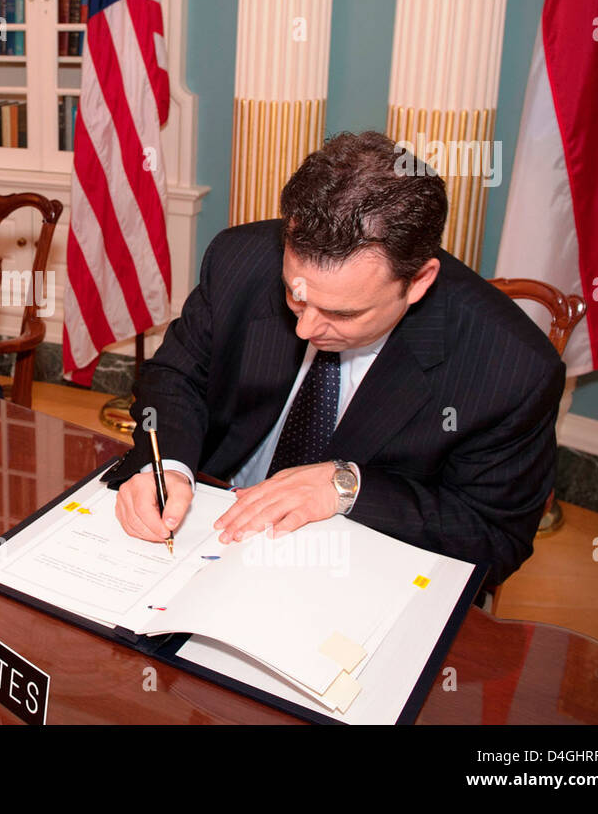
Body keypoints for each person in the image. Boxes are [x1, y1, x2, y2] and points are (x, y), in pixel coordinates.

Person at [107, 131, 565, 586]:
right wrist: (167, 467)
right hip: (208, 530)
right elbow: (175, 377)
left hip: (358, 571)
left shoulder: (512, 367)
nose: (306, 329)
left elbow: (493, 538)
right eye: (295, 295)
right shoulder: (238, 259)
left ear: (419, 282)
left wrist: (349, 488)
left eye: (342, 312)